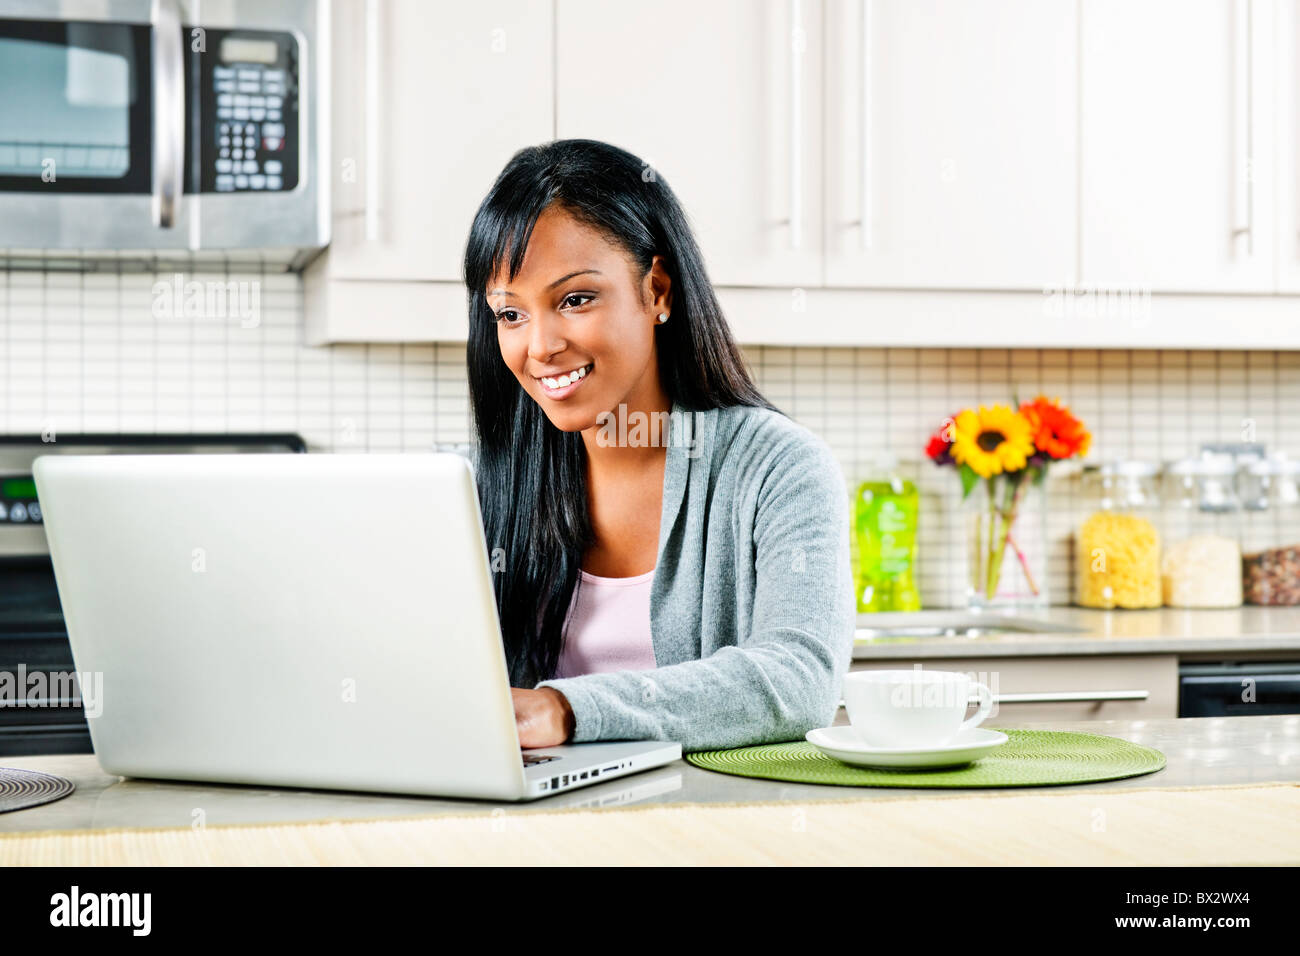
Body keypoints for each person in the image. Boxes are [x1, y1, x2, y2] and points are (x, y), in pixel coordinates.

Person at [462, 138, 855, 753]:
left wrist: (568, 710)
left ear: (658, 291)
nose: (539, 347)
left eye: (574, 299)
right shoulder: (477, 483)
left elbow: (798, 679)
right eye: (510, 314)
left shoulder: (778, 468)